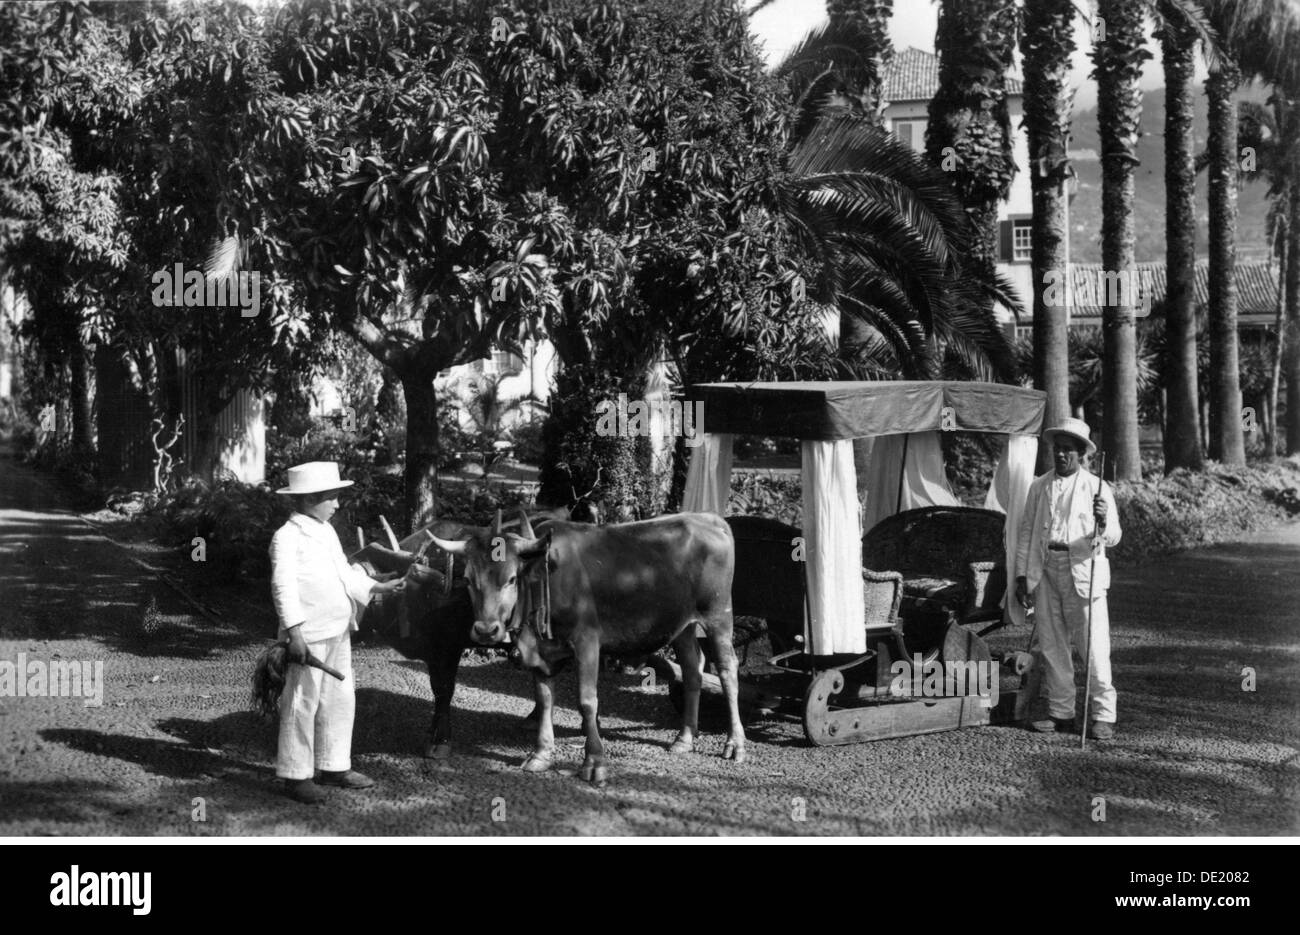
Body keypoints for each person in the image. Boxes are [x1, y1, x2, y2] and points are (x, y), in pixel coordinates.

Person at [270, 461, 401, 803]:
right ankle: (296, 775)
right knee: (302, 700)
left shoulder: (325, 531)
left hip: (338, 628)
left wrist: (380, 588)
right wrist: (294, 633)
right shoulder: (286, 537)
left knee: (340, 699)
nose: (337, 504)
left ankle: (334, 765)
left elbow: (345, 573)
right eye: (331, 497)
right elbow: (282, 587)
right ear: (310, 498)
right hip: (308, 634)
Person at [1013, 418, 1122, 740]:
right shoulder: (1039, 486)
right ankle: (1062, 714)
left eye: (1068, 450)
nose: (1061, 455)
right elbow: (1027, 533)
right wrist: (1022, 575)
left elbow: (1114, 536)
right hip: (1046, 569)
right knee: (1052, 646)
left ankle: (1103, 715)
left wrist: (1102, 522)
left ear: (1082, 454)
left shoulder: (1097, 488)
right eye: (1057, 449)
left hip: (1083, 570)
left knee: (1093, 647)